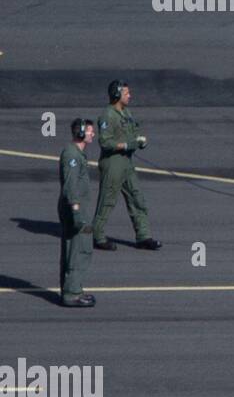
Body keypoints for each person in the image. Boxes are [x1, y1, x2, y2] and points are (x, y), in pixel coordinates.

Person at [92, 79, 162, 251]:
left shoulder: (127, 112)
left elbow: (134, 130)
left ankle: (144, 236)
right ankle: (97, 236)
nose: (130, 95)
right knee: (107, 201)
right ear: (117, 95)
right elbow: (105, 142)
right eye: (126, 93)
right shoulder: (107, 116)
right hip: (113, 163)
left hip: (127, 164)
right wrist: (126, 145)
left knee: (137, 199)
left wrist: (139, 140)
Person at [58, 118, 97, 307]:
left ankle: (72, 288)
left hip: (77, 208)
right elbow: (70, 185)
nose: (93, 134)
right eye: (90, 131)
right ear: (81, 133)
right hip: (76, 209)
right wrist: (76, 210)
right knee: (79, 249)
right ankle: (72, 293)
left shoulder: (76, 154)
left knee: (75, 248)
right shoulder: (72, 155)